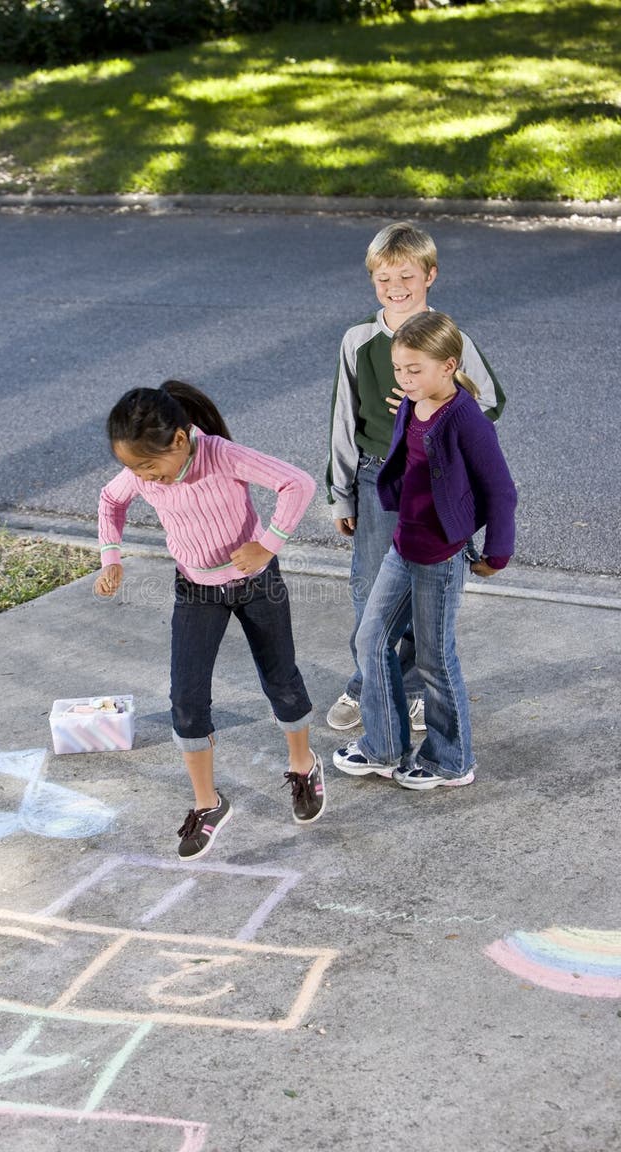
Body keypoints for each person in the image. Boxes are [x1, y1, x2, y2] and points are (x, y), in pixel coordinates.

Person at [94, 379, 324, 861]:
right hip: (196, 589)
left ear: (179, 441)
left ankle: (304, 765)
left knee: (280, 679)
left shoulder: (220, 454)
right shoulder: (139, 474)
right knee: (186, 697)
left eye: (147, 466)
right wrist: (110, 556)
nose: (142, 477)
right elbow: (110, 501)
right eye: (132, 468)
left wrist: (269, 543)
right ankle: (209, 803)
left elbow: (297, 483)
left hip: (256, 581)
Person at [325, 221, 506, 735]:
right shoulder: (358, 339)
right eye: (383, 278)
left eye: (406, 276)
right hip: (375, 474)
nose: (395, 287)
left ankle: (415, 688)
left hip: (435, 483)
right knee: (372, 588)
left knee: (426, 587)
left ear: (430, 275)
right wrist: (341, 495)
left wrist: (432, 401)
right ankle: (370, 682)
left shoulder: (452, 339)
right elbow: (343, 417)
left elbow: (489, 402)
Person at [332, 311, 517, 788]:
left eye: (415, 370)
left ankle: (451, 761)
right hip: (402, 546)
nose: (405, 378)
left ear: (448, 365)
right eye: (399, 369)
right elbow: (402, 463)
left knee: (435, 659)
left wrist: (497, 553)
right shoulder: (410, 406)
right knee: (371, 640)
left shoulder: (465, 418)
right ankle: (384, 746)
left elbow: (500, 490)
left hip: (439, 556)